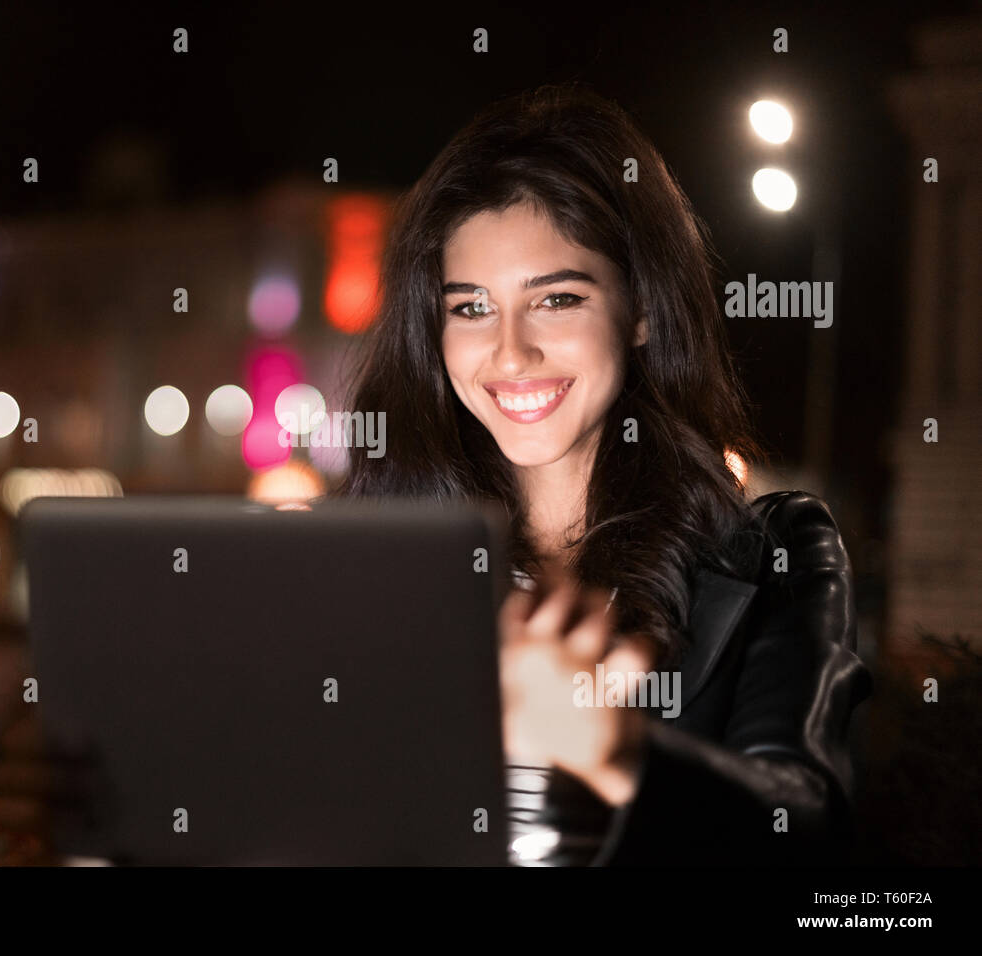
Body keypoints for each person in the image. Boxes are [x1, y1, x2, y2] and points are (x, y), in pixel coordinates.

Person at [332, 82, 872, 865]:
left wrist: (618, 754)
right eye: (472, 308)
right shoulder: (369, 562)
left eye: (556, 299)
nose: (510, 353)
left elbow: (808, 826)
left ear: (644, 309)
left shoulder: (776, 555)